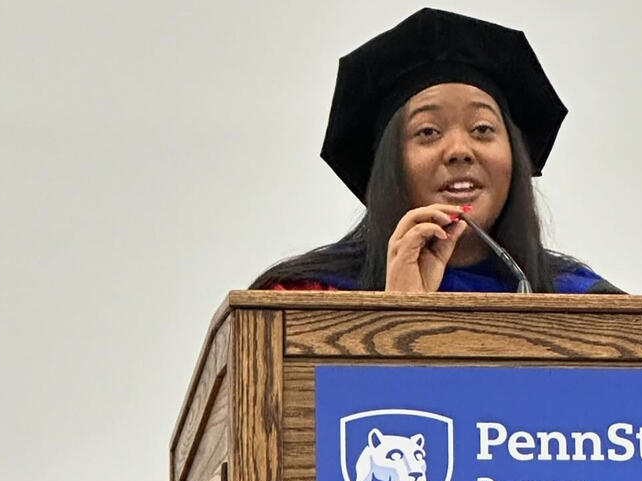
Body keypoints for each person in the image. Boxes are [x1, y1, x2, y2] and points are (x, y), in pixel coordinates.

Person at [250, 8, 622, 294]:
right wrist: (394, 320)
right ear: (390, 166)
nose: (459, 150)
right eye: (428, 132)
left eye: (482, 129)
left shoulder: (582, 301)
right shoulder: (307, 296)